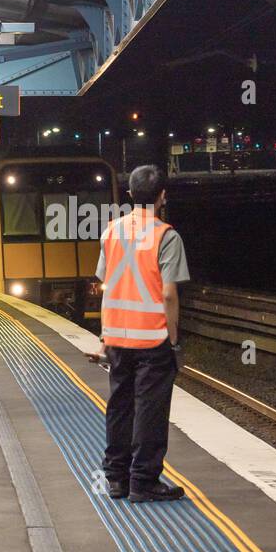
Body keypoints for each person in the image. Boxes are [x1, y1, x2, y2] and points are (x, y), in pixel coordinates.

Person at [96, 165, 190, 503]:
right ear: (162, 196)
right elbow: (168, 294)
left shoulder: (111, 231)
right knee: (150, 408)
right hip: (152, 338)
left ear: (131, 195)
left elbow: (106, 284)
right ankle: (143, 481)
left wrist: (104, 333)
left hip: (118, 336)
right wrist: (174, 338)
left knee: (120, 405)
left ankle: (116, 478)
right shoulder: (167, 236)